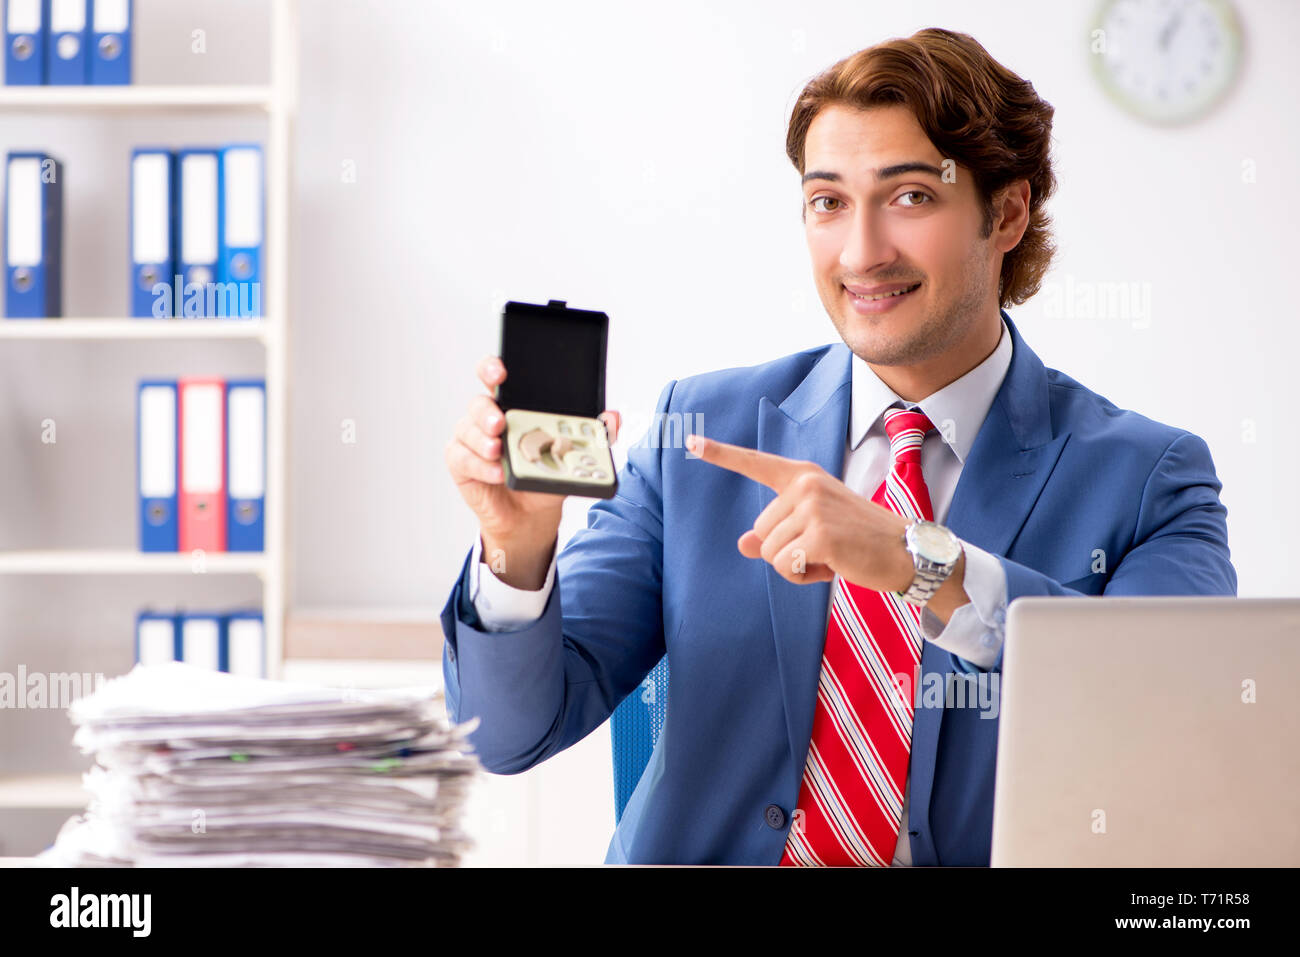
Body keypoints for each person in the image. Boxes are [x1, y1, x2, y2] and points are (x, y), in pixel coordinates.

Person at [440, 27, 1236, 866]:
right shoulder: (698, 436)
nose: (862, 253)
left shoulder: (1151, 478)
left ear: (1006, 212)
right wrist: (517, 551)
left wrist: (919, 561)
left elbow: (1173, 731)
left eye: (911, 197)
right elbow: (507, 736)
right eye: (828, 202)